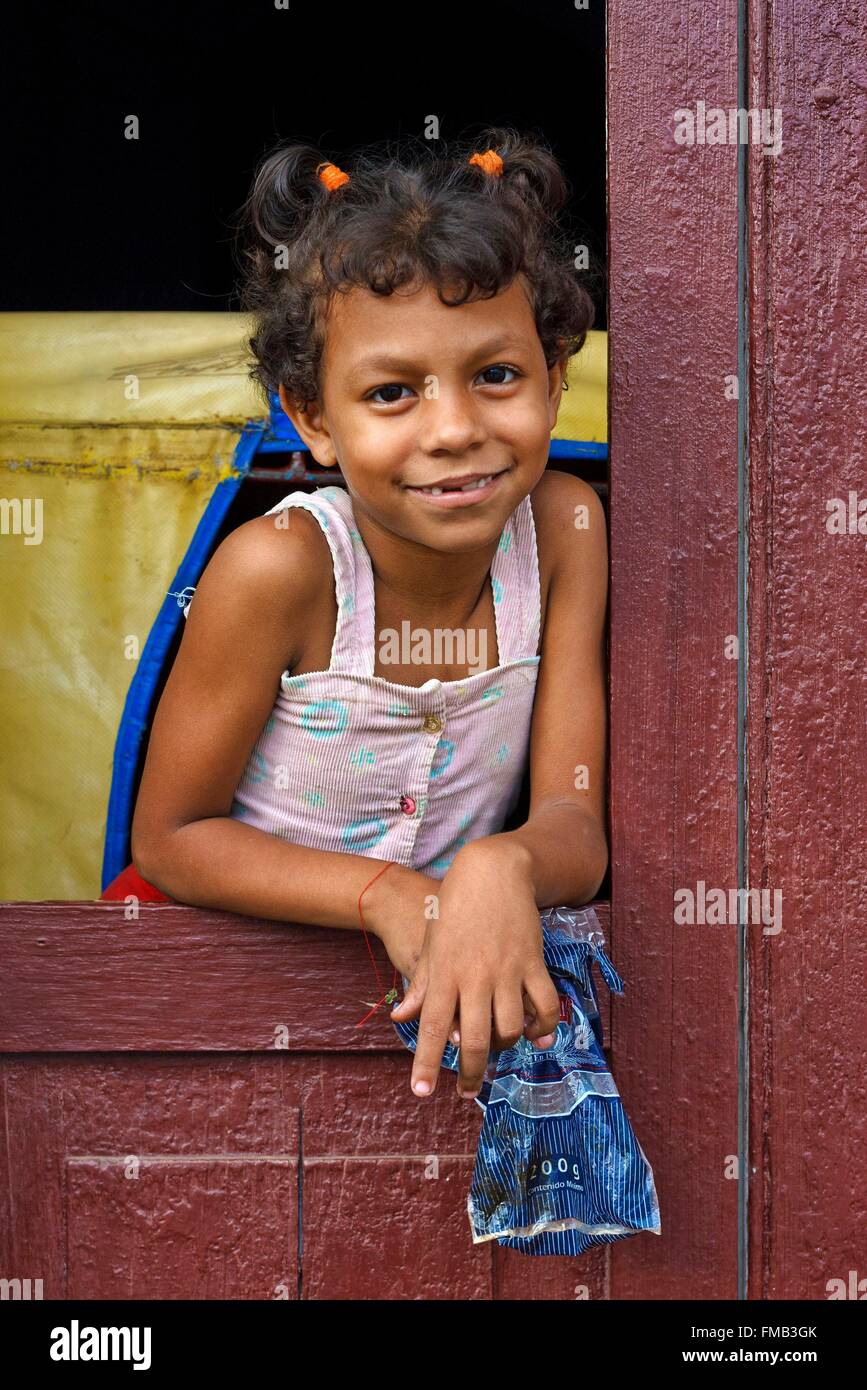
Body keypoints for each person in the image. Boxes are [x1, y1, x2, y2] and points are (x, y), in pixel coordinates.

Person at [130, 127, 609, 1110]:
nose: (454, 428)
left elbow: (578, 820)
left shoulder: (562, 528)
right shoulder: (283, 569)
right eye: (392, 393)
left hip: (440, 974)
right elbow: (173, 836)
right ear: (311, 416)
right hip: (208, 972)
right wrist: (384, 892)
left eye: (498, 375)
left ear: (556, 374)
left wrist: (498, 864)